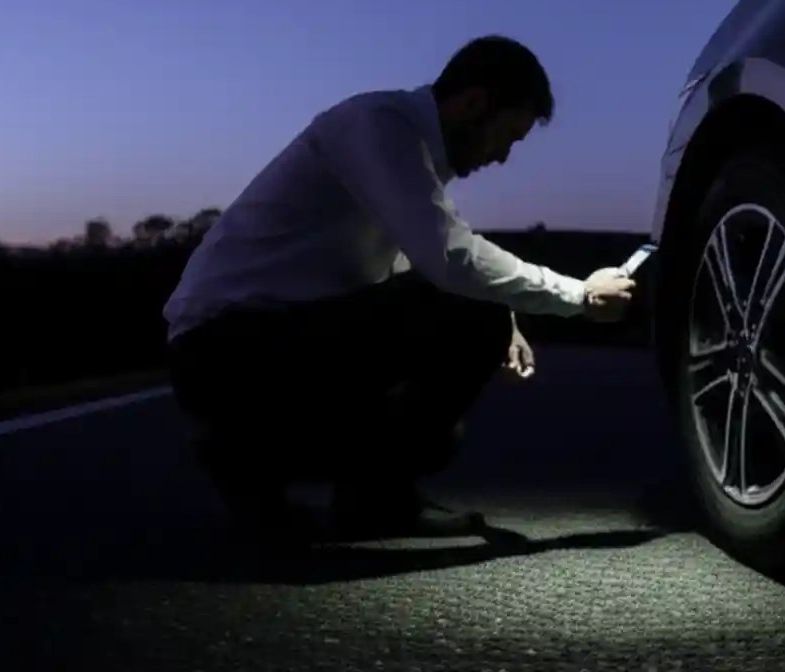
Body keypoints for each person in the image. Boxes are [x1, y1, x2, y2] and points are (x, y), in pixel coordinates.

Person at [163, 34, 636, 542]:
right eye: (508, 137)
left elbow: (421, 260)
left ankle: (252, 461)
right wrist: (578, 295)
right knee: (476, 320)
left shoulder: (404, 154)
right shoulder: (379, 126)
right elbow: (451, 256)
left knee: (440, 435)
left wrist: (506, 312)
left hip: (257, 344)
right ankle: (350, 494)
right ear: (475, 104)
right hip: (224, 349)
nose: (502, 157)